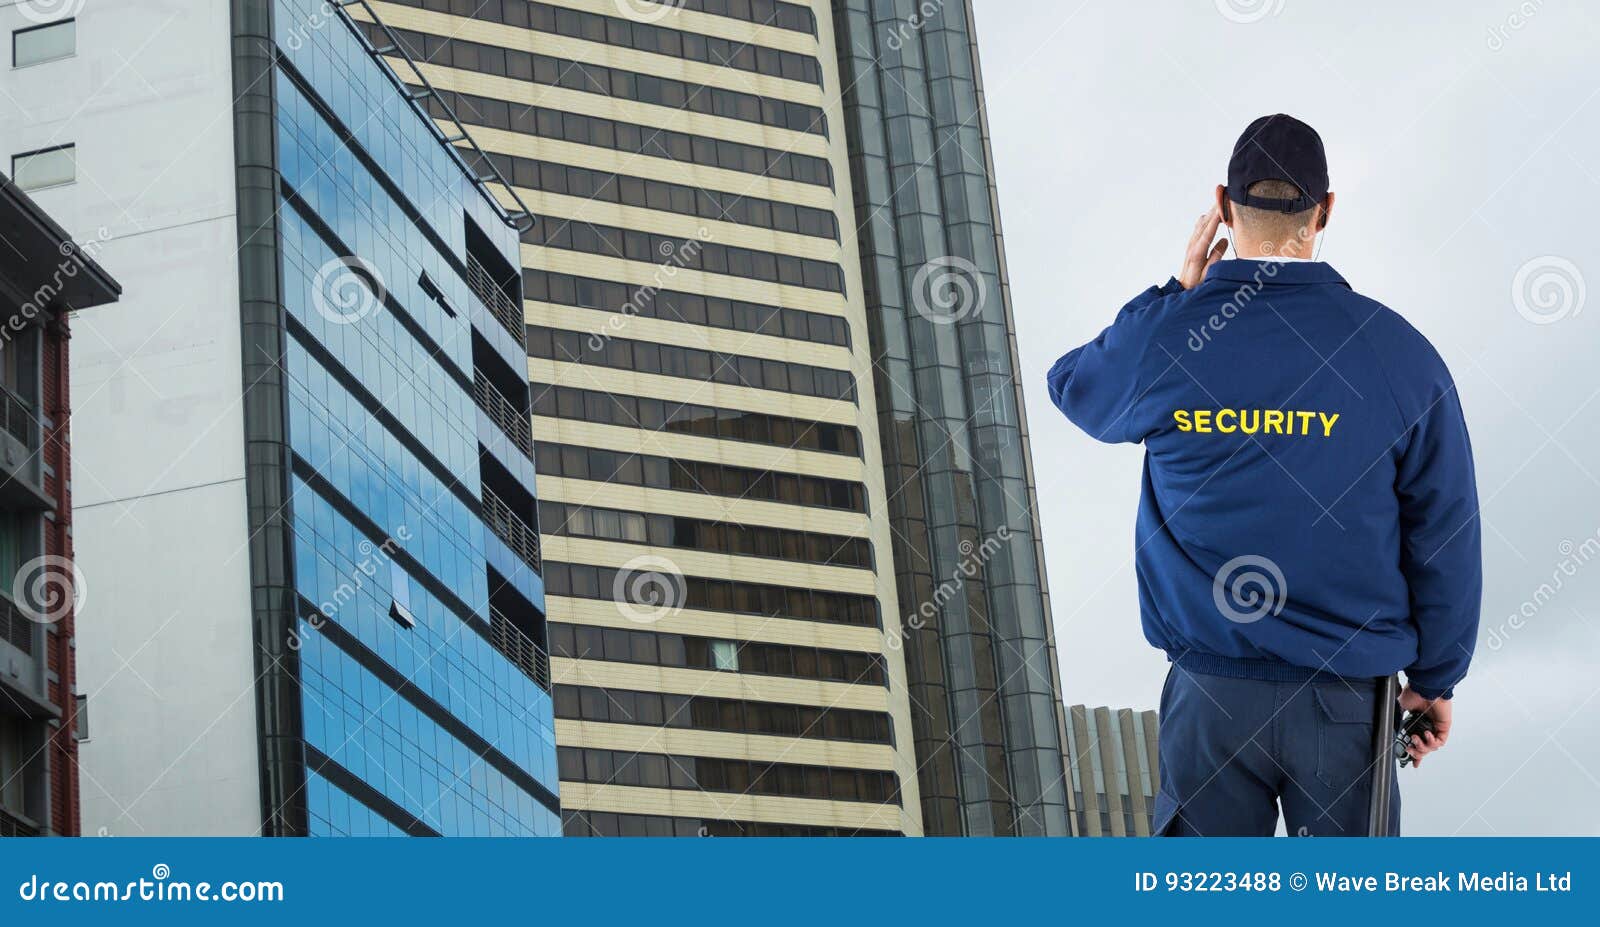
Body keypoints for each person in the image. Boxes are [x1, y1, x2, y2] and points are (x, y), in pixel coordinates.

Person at [1047, 114, 1481, 836]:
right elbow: (1445, 534)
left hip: (1209, 701)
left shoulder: (1173, 337)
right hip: (1345, 704)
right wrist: (1437, 677)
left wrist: (1172, 291)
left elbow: (1076, 387)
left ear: (1222, 205)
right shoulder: (1400, 355)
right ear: (1326, 211)